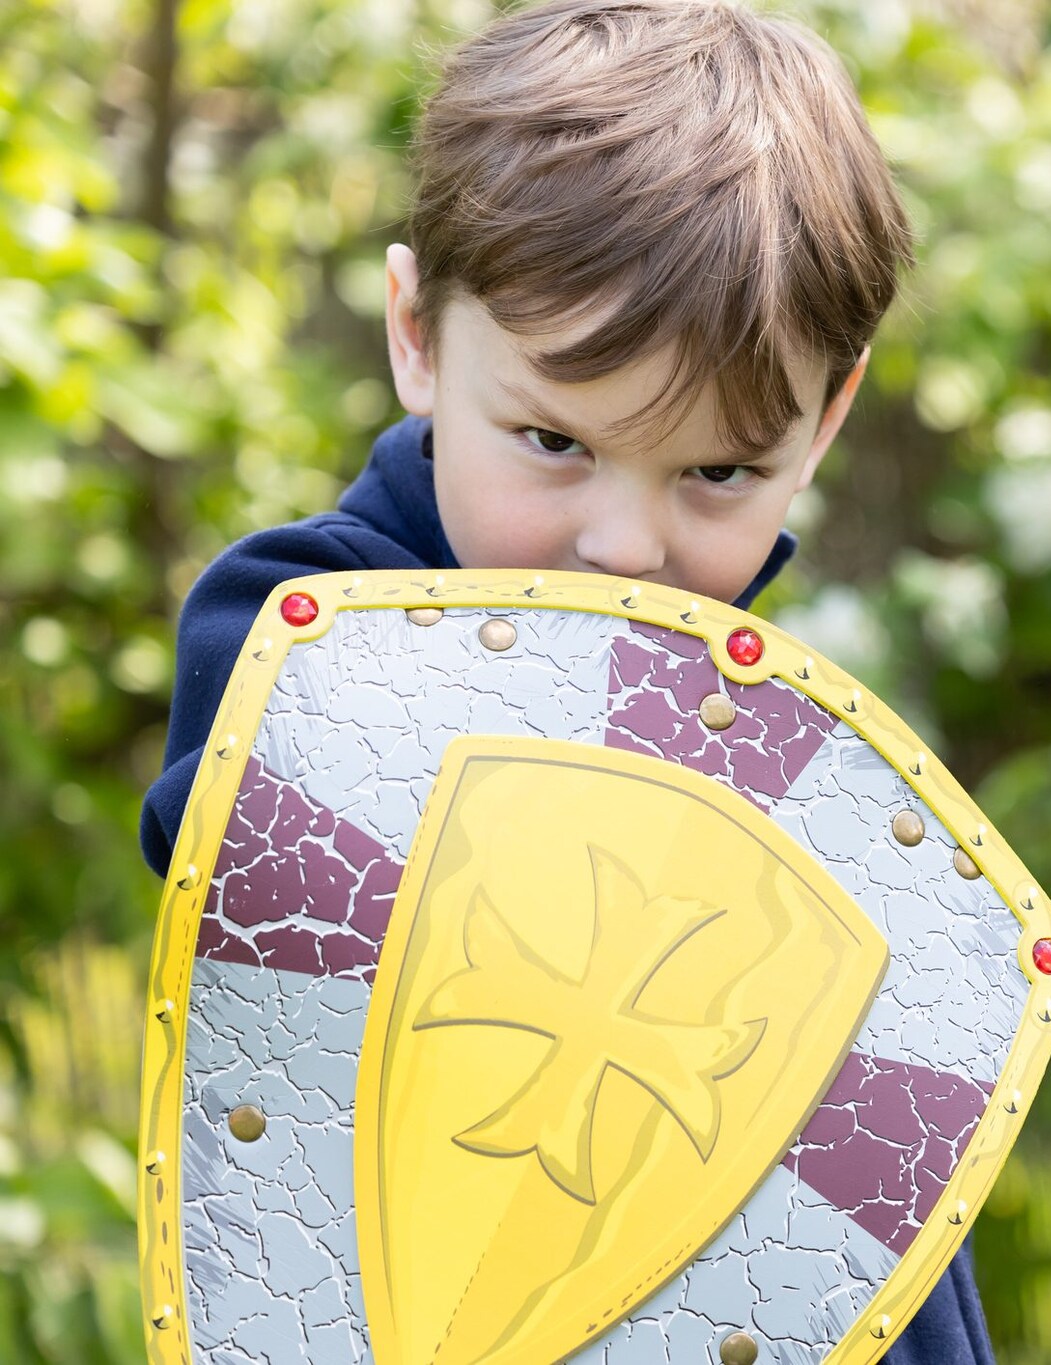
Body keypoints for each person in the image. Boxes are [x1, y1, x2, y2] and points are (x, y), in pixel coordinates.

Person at [139, 2, 997, 1360]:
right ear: (416, 332)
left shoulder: (804, 765)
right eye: (552, 439)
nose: (626, 545)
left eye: (717, 471)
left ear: (825, 421)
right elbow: (274, 879)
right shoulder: (295, 631)